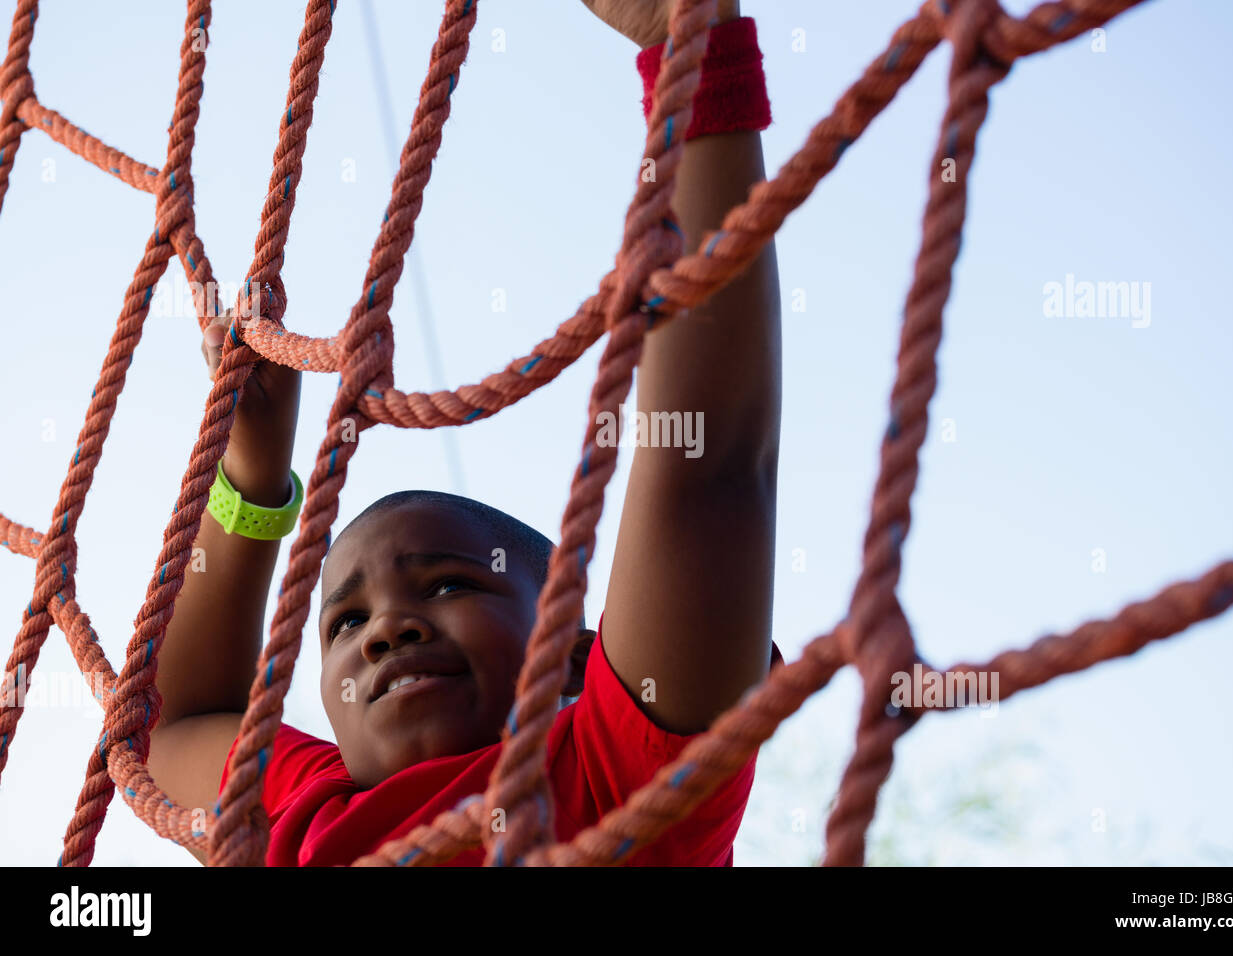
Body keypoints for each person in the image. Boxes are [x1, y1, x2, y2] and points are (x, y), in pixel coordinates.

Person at [148, 0, 782, 867]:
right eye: (341, 624)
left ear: (576, 658)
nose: (385, 631)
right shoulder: (308, 806)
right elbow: (174, 727)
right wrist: (252, 480)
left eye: (448, 585)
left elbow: (704, 474)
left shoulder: (605, 779)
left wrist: (692, 52)